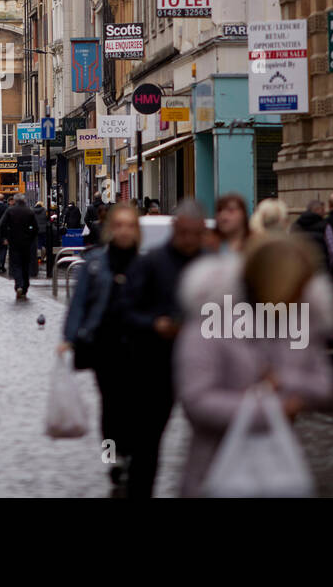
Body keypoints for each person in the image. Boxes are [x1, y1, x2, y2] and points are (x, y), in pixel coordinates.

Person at [177, 234, 333, 497]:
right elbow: (196, 400)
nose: (302, 294)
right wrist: (270, 409)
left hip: (276, 472)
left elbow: (325, 383)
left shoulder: (297, 317)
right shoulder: (211, 319)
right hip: (213, 472)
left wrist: (284, 379)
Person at [119, 200, 206, 498]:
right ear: (175, 230)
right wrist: (154, 324)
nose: (189, 240)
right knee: (148, 441)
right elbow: (127, 310)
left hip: (202, 367)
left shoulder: (209, 265)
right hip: (156, 363)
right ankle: (134, 483)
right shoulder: (152, 263)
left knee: (209, 441)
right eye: (184, 233)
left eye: (196, 234)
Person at [59, 203, 141, 490]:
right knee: (110, 404)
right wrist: (69, 338)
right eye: (118, 225)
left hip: (138, 346)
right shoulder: (95, 262)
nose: (124, 231)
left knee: (134, 403)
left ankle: (130, 451)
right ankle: (112, 458)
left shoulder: (145, 265)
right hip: (105, 345)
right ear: (110, 229)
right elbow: (78, 303)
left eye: (130, 225)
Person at [0, 194, 39, 300]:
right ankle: (24, 288)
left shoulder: (10, 211)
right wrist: (31, 238)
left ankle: (19, 285)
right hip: (26, 243)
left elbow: (2, 225)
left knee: (16, 265)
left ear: (15, 201)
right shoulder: (29, 211)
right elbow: (35, 228)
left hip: (14, 242)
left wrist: (5, 237)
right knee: (25, 265)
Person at [292, 199, 328, 263]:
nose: (324, 212)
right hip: (320, 265)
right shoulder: (325, 225)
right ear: (317, 210)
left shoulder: (296, 225)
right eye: (322, 210)